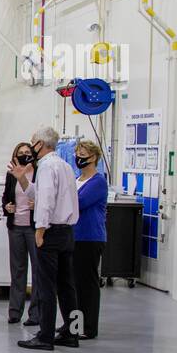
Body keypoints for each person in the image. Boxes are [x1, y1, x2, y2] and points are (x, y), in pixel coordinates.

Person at [11, 126, 80, 351]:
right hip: (67, 232)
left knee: (46, 286)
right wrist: (22, 180)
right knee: (67, 286)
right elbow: (40, 194)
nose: (31, 146)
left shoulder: (46, 166)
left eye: (33, 142)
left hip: (50, 232)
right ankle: (72, 332)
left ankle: (46, 335)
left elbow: (46, 201)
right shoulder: (65, 166)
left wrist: (40, 230)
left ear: (41, 143)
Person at [72, 138, 108, 340]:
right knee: (74, 284)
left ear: (94, 157)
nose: (79, 158)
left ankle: (88, 326)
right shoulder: (76, 180)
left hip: (90, 238)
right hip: (74, 237)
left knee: (87, 284)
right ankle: (74, 325)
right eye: (78, 154)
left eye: (83, 155)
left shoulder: (98, 182)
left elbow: (79, 202)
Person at [3, 141, 41, 326]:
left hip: (34, 228)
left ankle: (36, 314)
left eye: (27, 152)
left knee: (37, 271)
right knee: (18, 271)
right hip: (16, 226)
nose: (25, 154)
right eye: (21, 152)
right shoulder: (12, 175)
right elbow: (6, 197)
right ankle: (15, 312)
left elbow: (47, 197)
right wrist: (7, 206)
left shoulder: (40, 173)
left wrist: (38, 205)